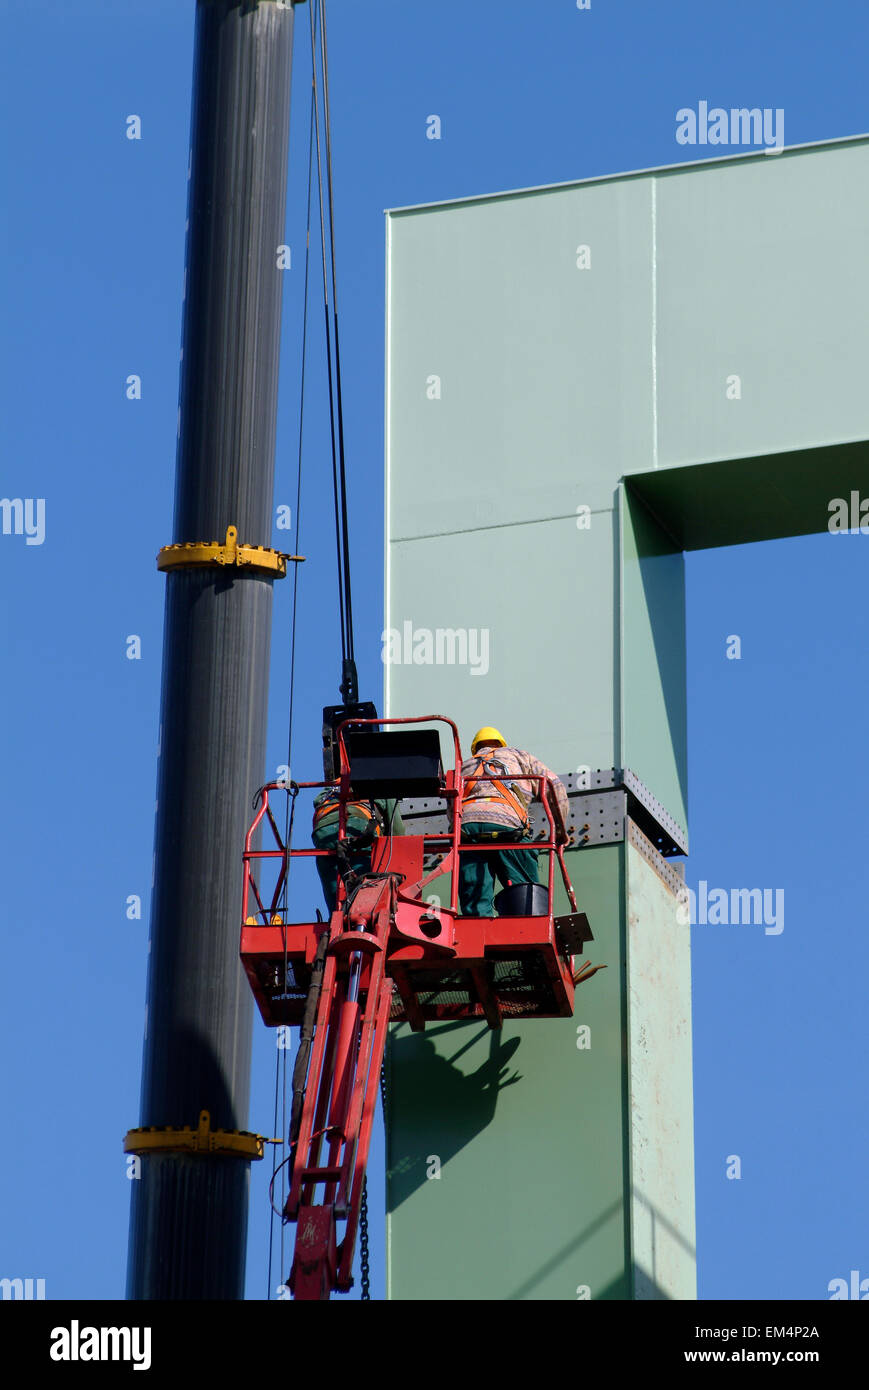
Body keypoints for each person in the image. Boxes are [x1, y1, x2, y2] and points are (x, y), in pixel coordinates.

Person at [459, 726, 572, 917]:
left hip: (468, 830)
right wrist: (560, 831)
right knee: (525, 892)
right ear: (502, 744)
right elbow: (555, 787)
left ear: (475, 748)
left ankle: (477, 928)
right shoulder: (519, 756)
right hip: (508, 827)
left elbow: (451, 808)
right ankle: (527, 920)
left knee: (475, 897)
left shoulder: (464, 766)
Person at [311, 782, 404, 913]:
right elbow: (397, 831)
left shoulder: (330, 787)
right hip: (357, 828)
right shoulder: (383, 783)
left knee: (329, 870)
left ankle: (335, 916)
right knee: (367, 880)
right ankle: (364, 912)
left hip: (323, 833)